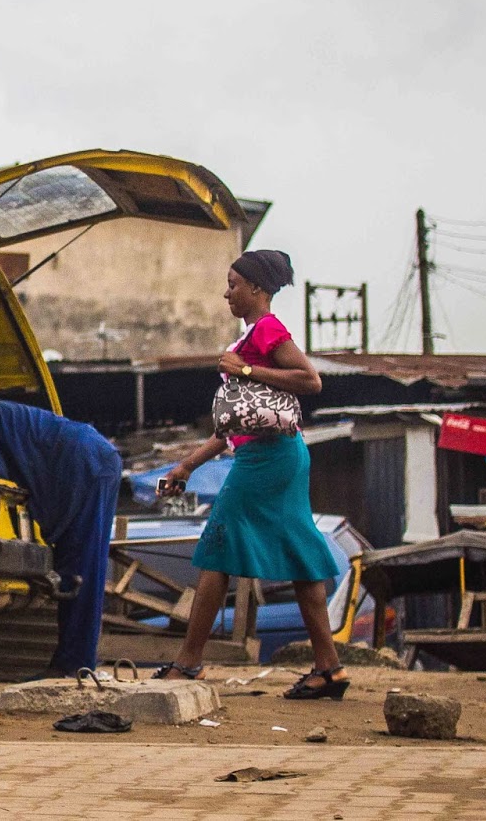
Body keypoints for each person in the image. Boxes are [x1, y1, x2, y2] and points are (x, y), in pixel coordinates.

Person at [155, 249, 345, 701]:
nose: (227, 293)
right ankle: (329, 668)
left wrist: (244, 368)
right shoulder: (251, 337)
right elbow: (233, 429)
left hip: (267, 460)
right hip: (277, 453)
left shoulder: (268, 331)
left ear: (257, 289)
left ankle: (188, 663)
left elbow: (310, 380)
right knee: (298, 556)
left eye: (234, 284)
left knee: (217, 548)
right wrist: (186, 466)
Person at [0, 400, 123, 676]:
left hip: (84, 460)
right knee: (81, 566)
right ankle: (72, 662)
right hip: (92, 454)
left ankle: (74, 665)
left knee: (80, 569)